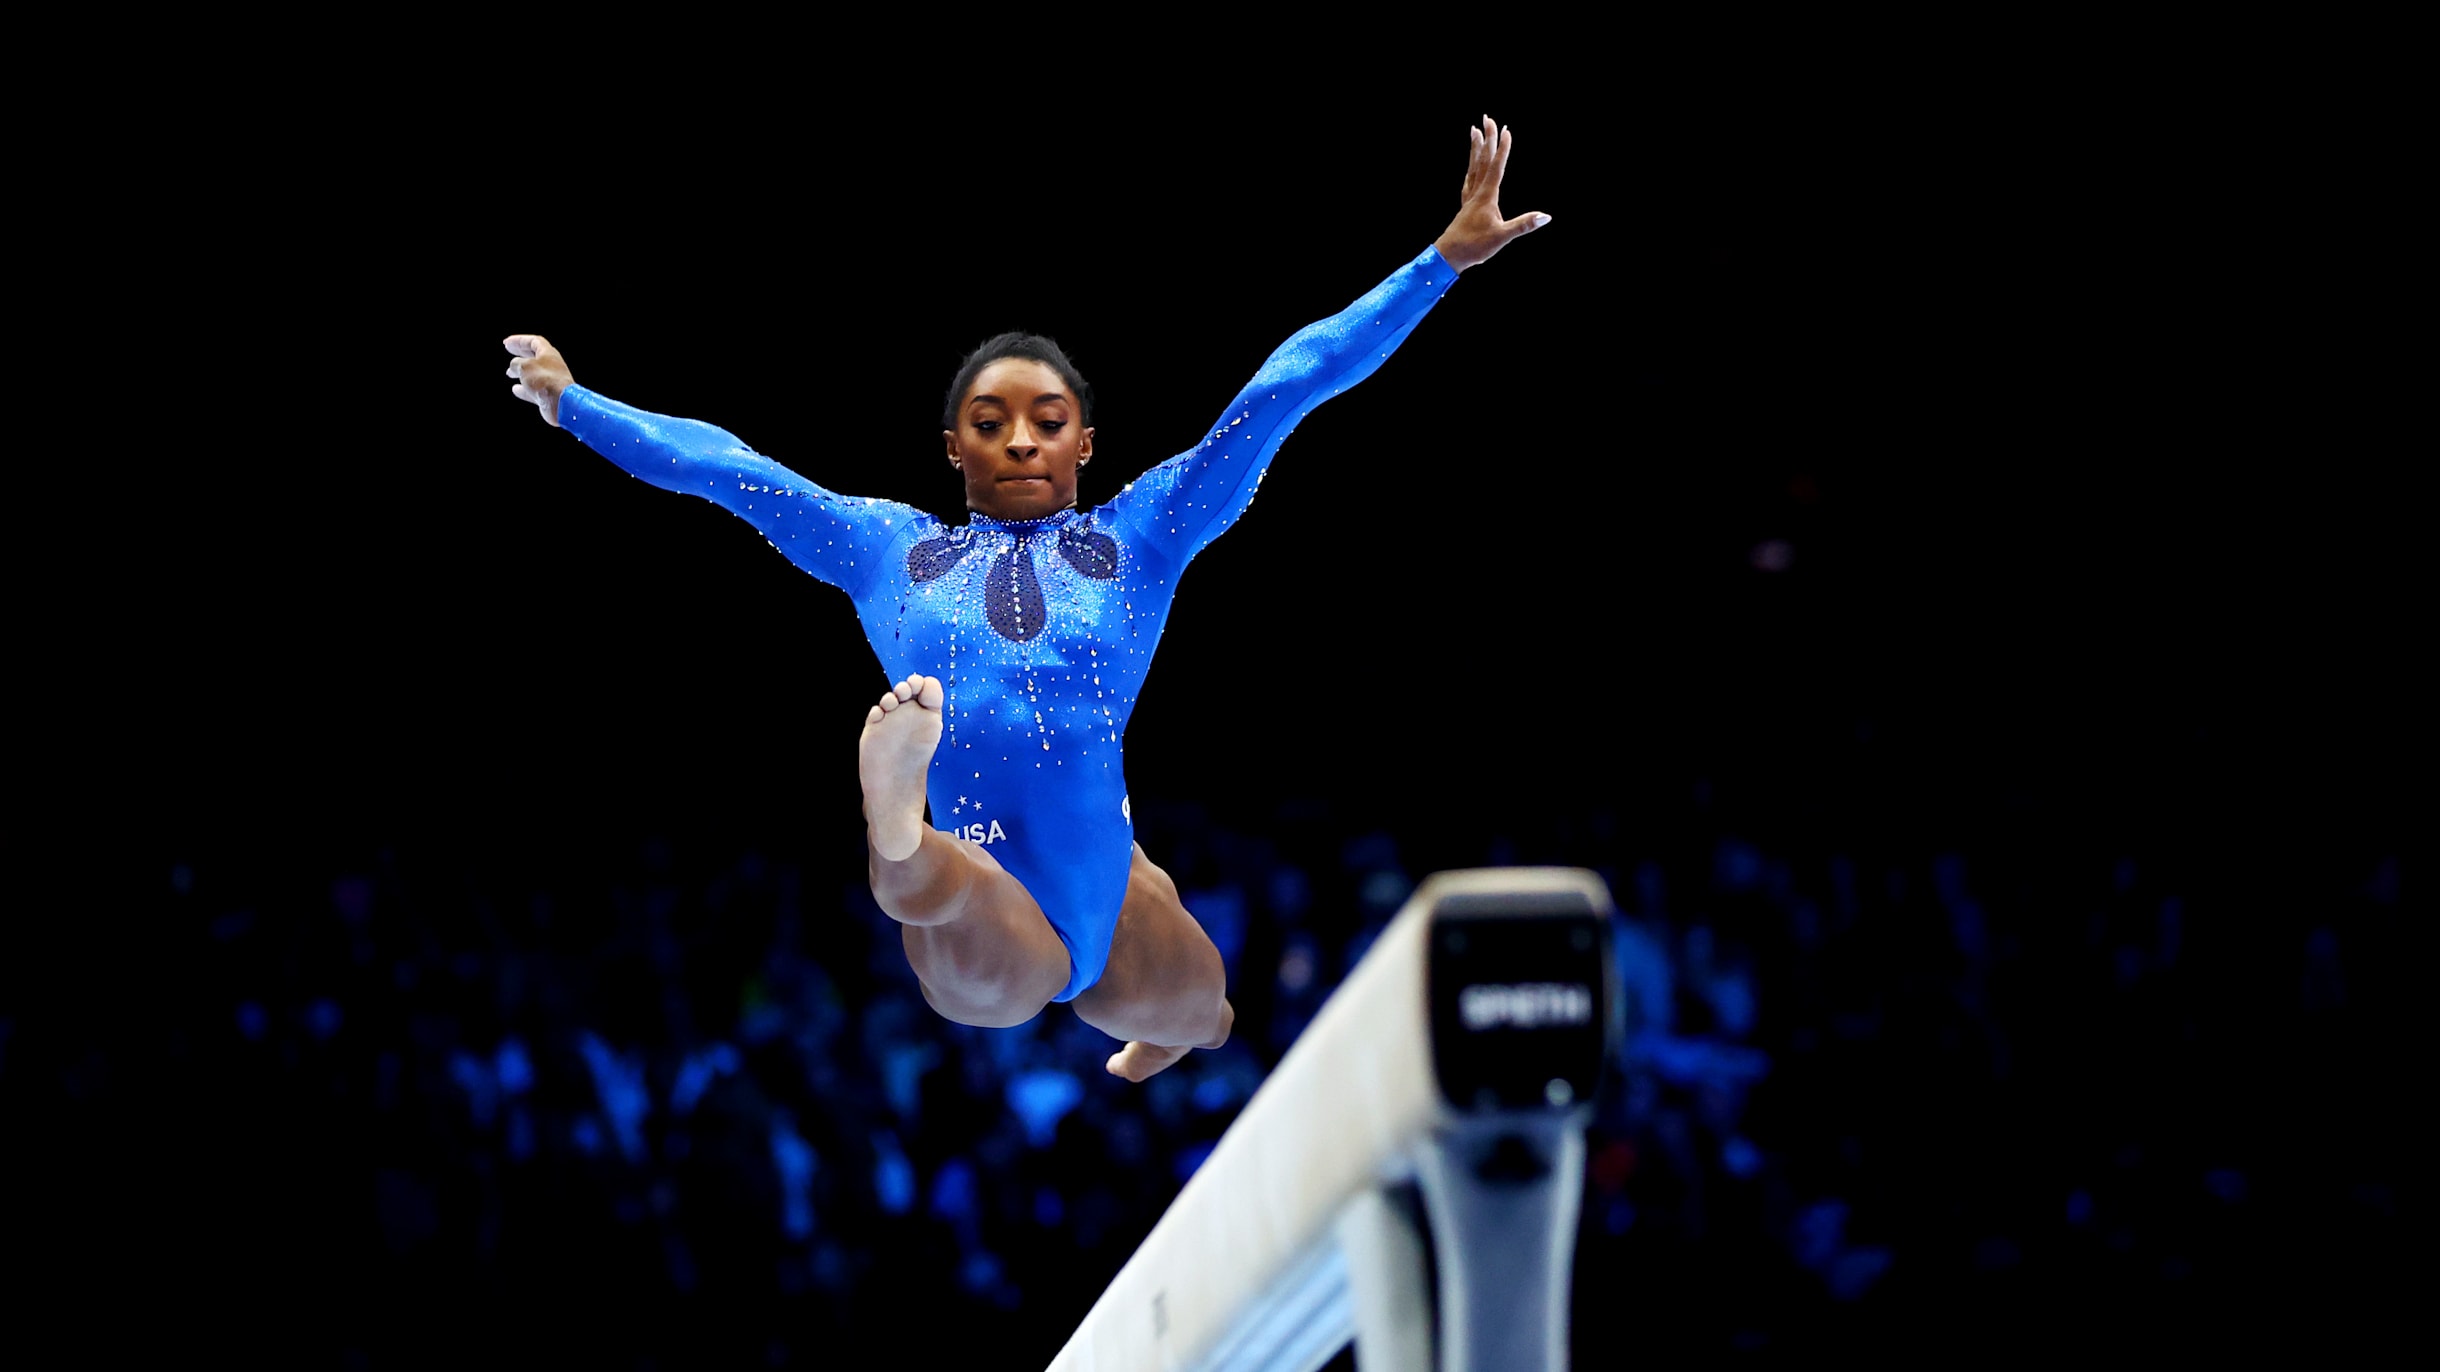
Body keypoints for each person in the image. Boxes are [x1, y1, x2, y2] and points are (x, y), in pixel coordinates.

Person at [503, 117, 1546, 1081]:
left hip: (1108, 889)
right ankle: (899, 833)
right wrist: (576, 404)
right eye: (989, 422)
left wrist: (1437, 264)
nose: (1018, 440)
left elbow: (1280, 389)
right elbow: (734, 469)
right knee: (985, 955)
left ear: (1084, 444)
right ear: (951, 446)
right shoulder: (888, 552)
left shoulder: (1143, 533)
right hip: (984, 899)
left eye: (1045, 419)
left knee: (1208, 1011)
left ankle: (1149, 1019)